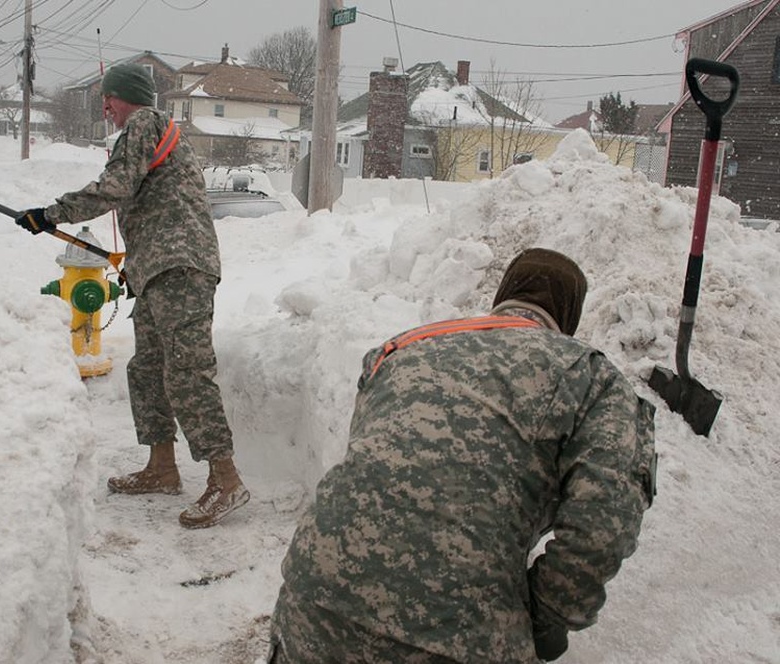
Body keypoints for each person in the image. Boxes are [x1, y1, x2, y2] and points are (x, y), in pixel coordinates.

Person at [268, 248, 657, 663]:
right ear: (569, 315)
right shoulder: (591, 378)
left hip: (310, 609)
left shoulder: (402, 348)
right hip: (453, 640)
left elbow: (371, 467)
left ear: (503, 294)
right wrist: (550, 616)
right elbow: (603, 524)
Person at [14, 63, 249, 529]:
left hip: (180, 266)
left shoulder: (144, 122)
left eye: (109, 97)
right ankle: (162, 466)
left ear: (128, 97)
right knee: (146, 370)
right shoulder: (148, 132)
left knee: (187, 370)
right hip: (158, 270)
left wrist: (51, 213)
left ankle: (226, 478)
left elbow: (116, 187)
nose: (105, 105)